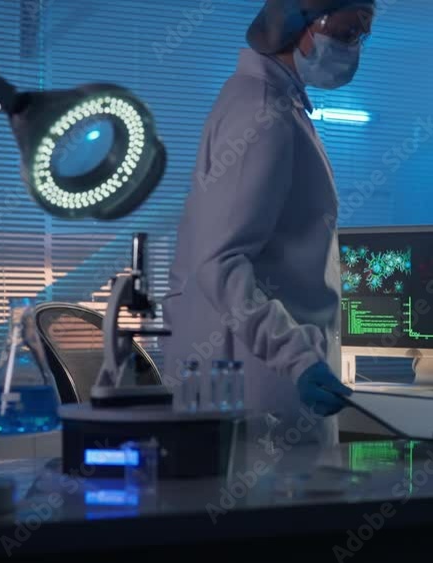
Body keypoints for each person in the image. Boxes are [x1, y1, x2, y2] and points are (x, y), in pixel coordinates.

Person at [160, 0, 375, 448]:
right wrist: (297, 360)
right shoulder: (263, 114)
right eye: (348, 34)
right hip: (261, 387)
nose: (354, 49)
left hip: (262, 378)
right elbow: (220, 260)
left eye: (361, 37)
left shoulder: (273, 102)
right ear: (297, 23)